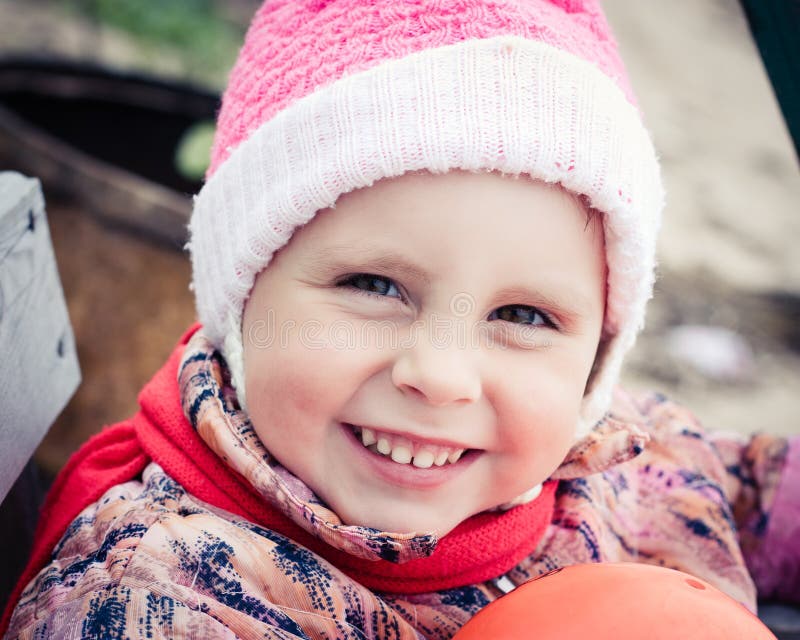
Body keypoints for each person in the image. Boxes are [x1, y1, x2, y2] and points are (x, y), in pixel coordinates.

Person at [3, 1, 798, 637]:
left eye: (523, 314)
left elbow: (764, 494)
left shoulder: (629, 465)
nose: (441, 376)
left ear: (598, 354)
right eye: (376, 286)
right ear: (242, 296)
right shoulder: (159, 597)